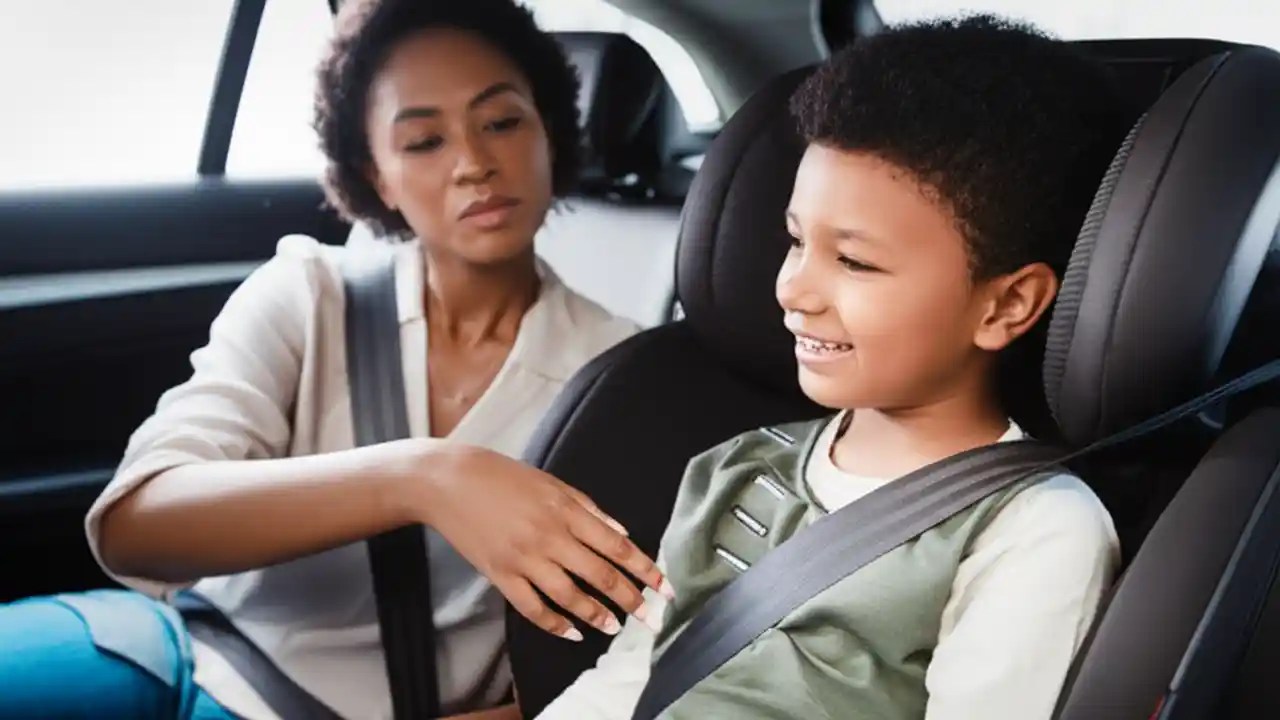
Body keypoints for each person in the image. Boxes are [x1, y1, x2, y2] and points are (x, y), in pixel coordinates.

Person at [0, 0, 671, 718]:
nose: (474, 164)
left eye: (502, 122)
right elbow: (137, 523)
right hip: (181, 648)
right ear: (377, 177)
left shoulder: (624, 375)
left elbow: (633, 651)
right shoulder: (308, 292)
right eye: (422, 142)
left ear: (549, 131)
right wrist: (422, 477)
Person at [538, 15, 1130, 720]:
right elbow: (627, 683)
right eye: (795, 241)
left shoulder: (1033, 531)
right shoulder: (735, 468)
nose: (792, 288)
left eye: (854, 260)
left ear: (1006, 306)